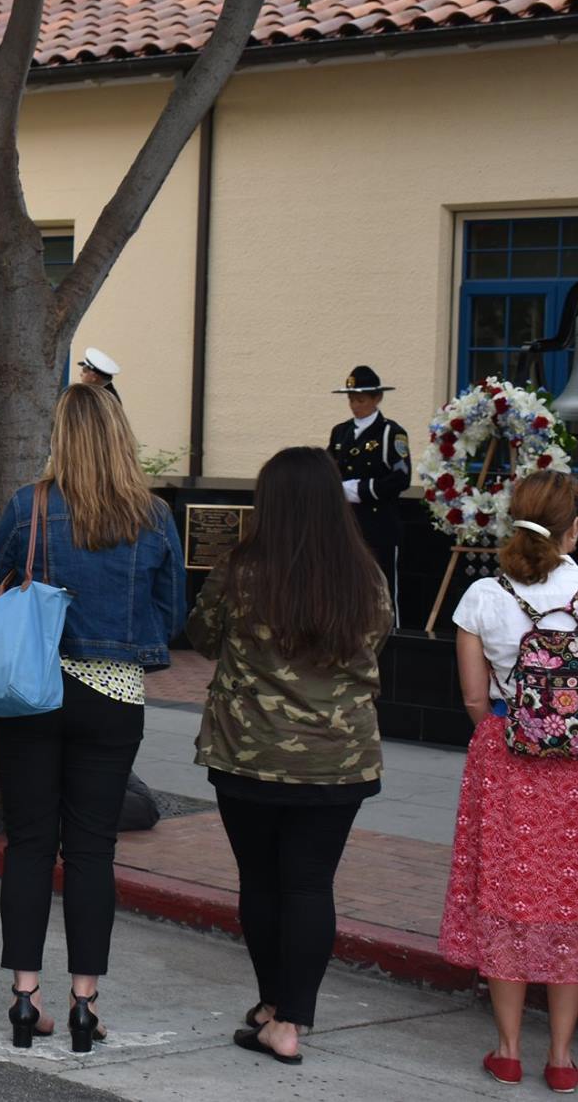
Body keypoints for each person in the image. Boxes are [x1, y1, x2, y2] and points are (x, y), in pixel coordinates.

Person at [0, 384, 184, 1051]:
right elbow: (173, 615)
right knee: (93, 850)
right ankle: (84, 1005)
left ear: (60, 436)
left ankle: (24, 997)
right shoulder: (152, 515)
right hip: (113, 695)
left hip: (33, 691)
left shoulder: (28, 506)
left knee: (30, 843)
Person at [186, 446, 390, 1066]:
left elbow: (199, 636)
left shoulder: (241, 568)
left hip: (249, 752)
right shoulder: (366, 574)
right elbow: (380, 638)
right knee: (309, 884)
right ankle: (291, 1019)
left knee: (261, 880)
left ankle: (272, 1005)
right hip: (339, 757)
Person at [441, 471, 578, 1095]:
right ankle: (561, 1056)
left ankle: (507, 1049)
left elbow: (474, 698)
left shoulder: (482, 597)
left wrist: (515, 728)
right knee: (571, 902)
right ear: (574, 526)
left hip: (506, 759)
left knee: (508, 896)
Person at [327, 366, 410, 619]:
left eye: (361, 399)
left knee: (382, 586)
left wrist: (360, 490)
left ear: (377, 398)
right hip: (348, 523)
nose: (355, 405)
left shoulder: (391, 432)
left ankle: (390, 636)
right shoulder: (340, 432)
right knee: (345, 586)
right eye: (351, 399)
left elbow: (401, 477)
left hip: (379, 524)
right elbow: (329, 468)